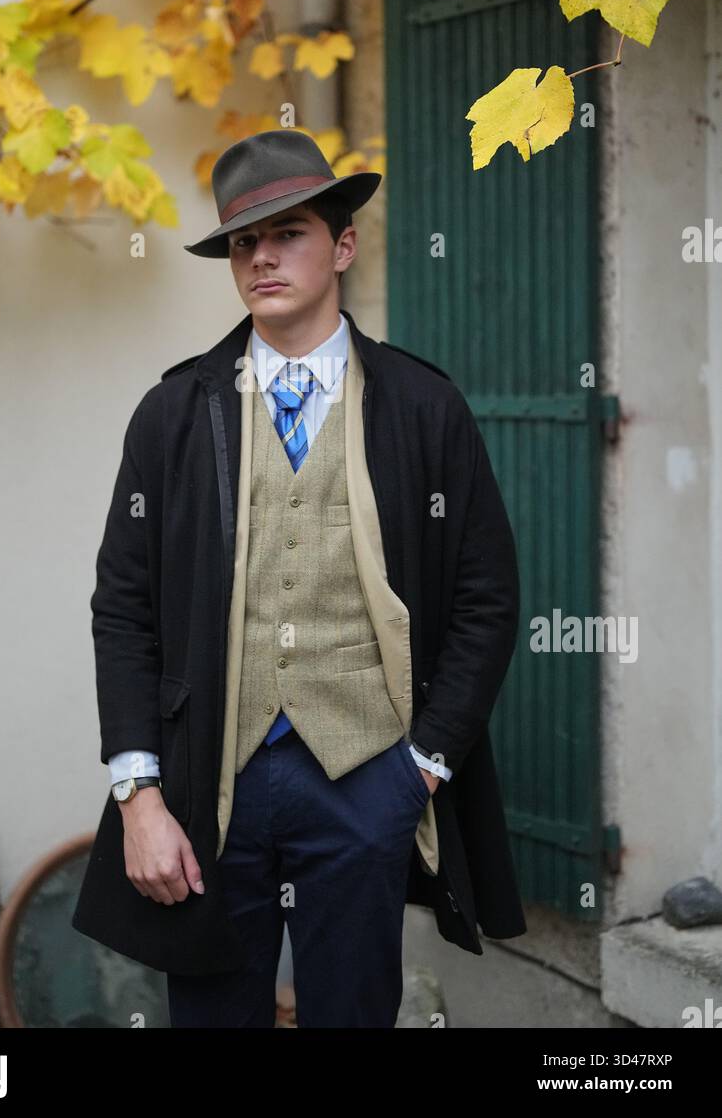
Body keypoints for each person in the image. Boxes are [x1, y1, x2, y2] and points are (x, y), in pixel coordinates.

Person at [72, 128, 526, 1027]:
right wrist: (139, 794)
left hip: (367, 777)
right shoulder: (174, 412)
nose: (264, 257)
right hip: (211, 781)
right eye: (245, 241)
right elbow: (122, 610)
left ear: (343, 245)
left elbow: (487, 600)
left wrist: (423, 767)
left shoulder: (424, 406)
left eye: (290, 233)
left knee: (352, 1015)